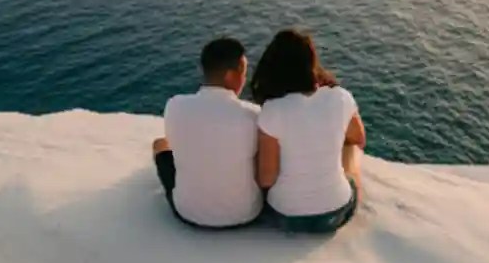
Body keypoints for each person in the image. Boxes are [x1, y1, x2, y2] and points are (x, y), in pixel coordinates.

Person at [251, 29, 365, 234]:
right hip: (336, 212)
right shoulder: (340, 97)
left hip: (286, 216)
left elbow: (267, 178)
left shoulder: (272, 110)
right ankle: (350, 180)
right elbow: (358, 138)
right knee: (351, 146)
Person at [152, 37, 264, 229]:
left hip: (188, 212)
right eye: (243, 73)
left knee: (160, 144)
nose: (245, 79)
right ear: (231, 76)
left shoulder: (175, 105)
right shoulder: (253, 115)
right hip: (245, 213)